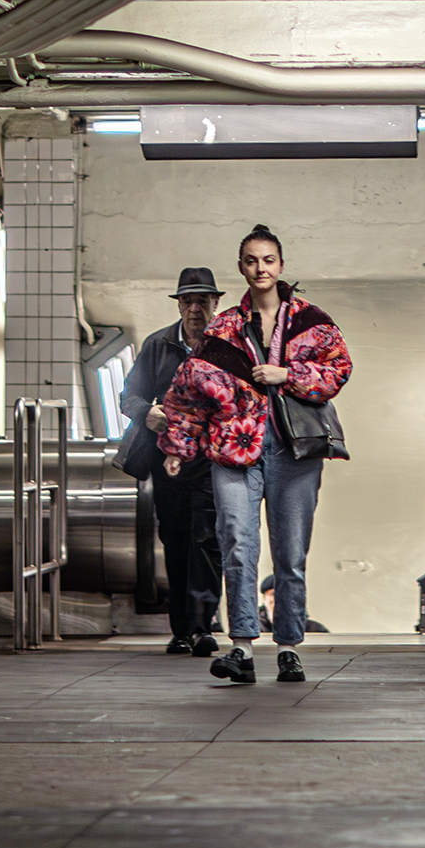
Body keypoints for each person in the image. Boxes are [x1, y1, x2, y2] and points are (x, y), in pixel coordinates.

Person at [161, 224, 352, 685]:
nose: (260, 268)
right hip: (232, 449)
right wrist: (178, 446)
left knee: (290, 552)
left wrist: (286, 374)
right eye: (251, 260)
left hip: (294, 451)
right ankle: (242, 648)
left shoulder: (312, 321)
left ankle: (288, 648)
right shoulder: (224, 326)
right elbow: (190, 389)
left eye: (268, 260)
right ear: (242, 267)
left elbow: (339, 371)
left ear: (280, 265)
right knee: (236, 546)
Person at [120, 267, 224, 657]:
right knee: (176, 541)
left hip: (214, 460)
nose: (195, 308)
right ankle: (181, 629)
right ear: (179, 305)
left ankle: (203, 626)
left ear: (216, 302)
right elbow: (128, 397)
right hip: (168, 461)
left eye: (203, 300)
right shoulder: (157, 345)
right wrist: (147, 412)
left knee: (208, 539)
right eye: (187, 301)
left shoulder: (229, 346)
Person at [259, 574, 329, 635]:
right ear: (264, 598)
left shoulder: (313, 629)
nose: (279, 599)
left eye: (285, 594)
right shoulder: (255, 628)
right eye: (273, 594)